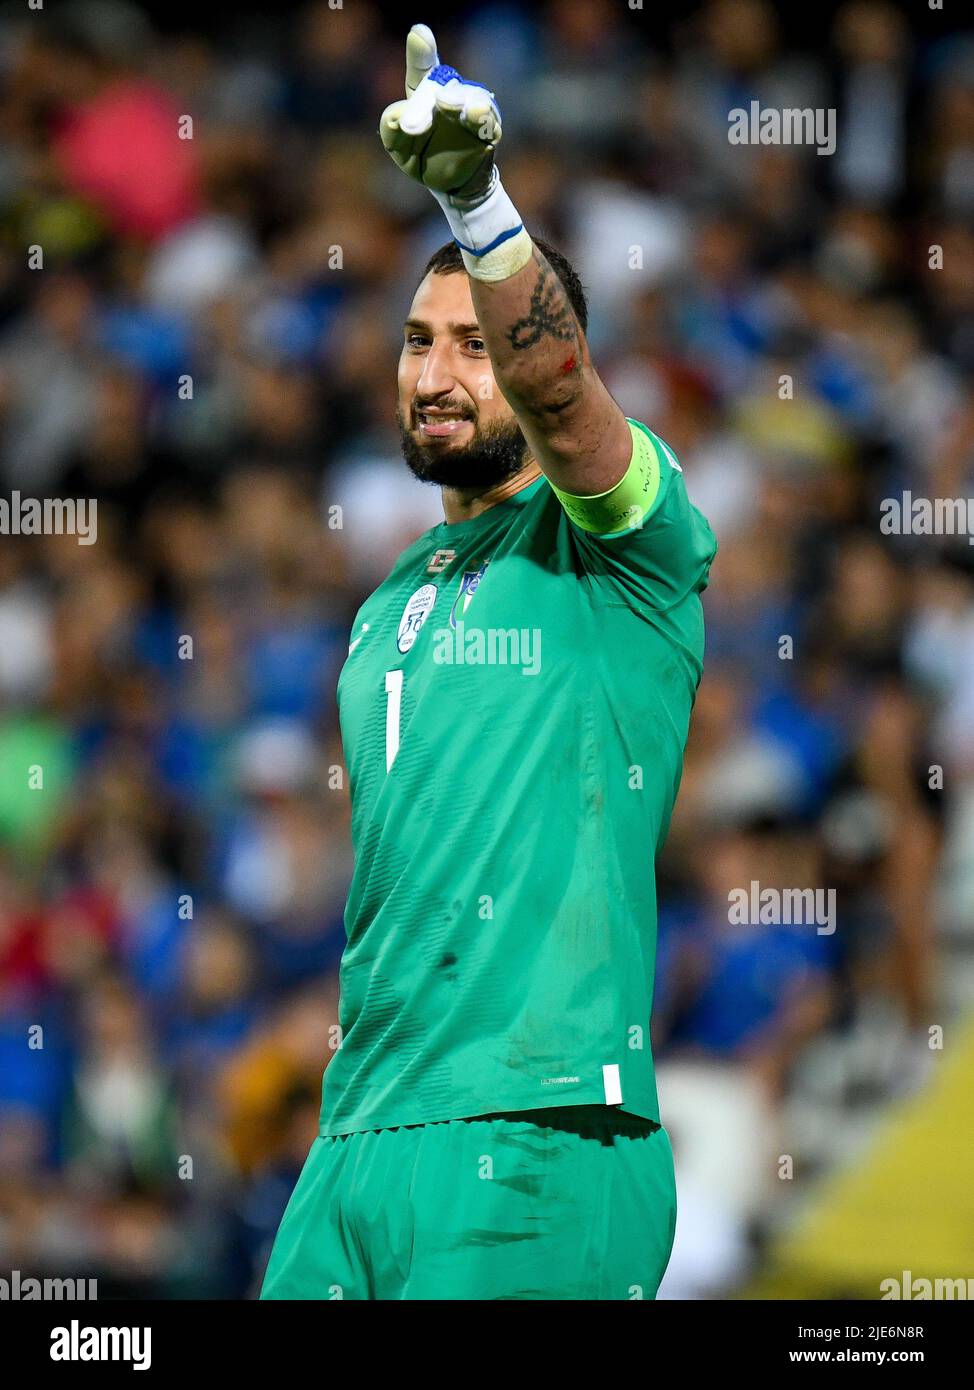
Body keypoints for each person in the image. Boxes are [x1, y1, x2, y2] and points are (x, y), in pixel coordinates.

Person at [260, 25, 716, 1301]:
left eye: (474, 342)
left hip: (541, 1128)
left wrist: (477, 207)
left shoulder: (621, 548)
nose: (439, 372)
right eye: (418, 342)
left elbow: (565, 400)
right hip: (355, 1143)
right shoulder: (382, 609)